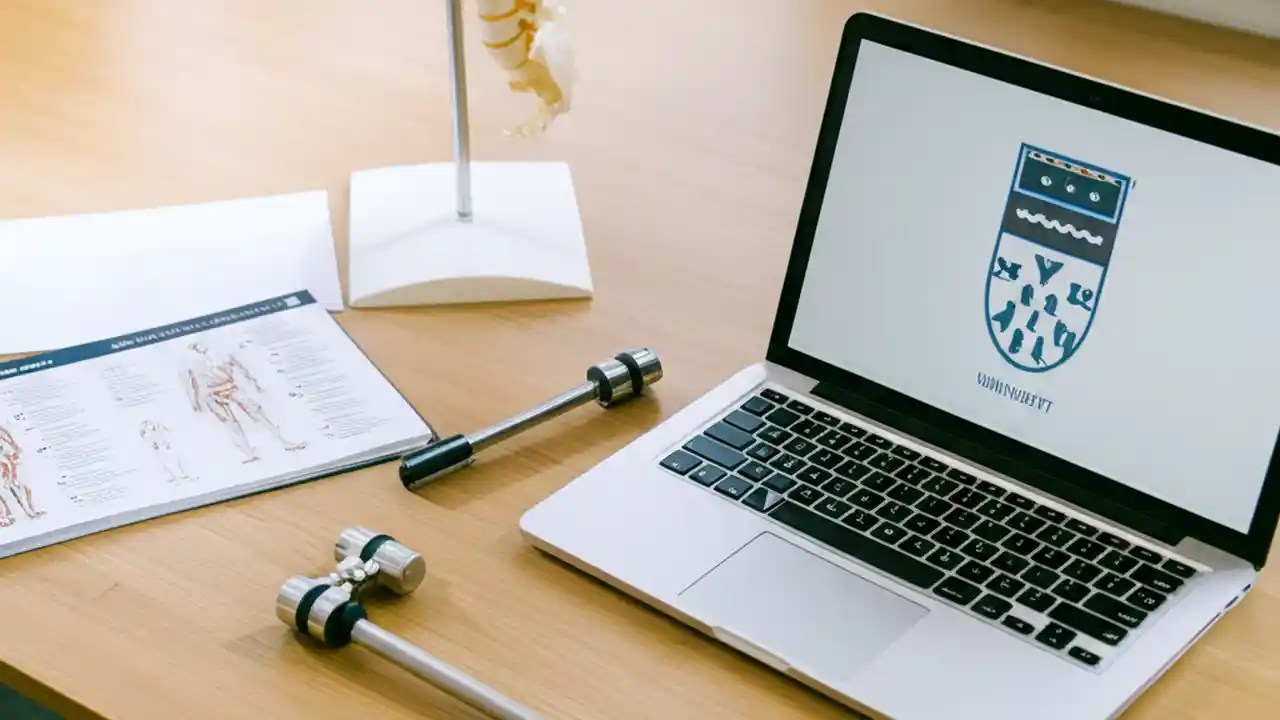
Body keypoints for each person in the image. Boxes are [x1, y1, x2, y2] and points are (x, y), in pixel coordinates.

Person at [186, 343, 305, 463]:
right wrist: (194, 402)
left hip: (230, 387)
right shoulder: (192, 364)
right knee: (230, 423)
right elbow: (192, 385)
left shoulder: (221, 354)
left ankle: (283, 441)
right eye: (197, 347)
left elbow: (240, 368)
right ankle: (248, 453)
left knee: (257, 412)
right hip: (212, 395)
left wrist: (254, 382)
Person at [0, 424, 42, 526]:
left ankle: (31, 511)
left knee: (21, 487)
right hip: (5, 466)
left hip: (7, 464)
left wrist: (14, 447)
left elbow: (6, 437)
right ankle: (4, 516)